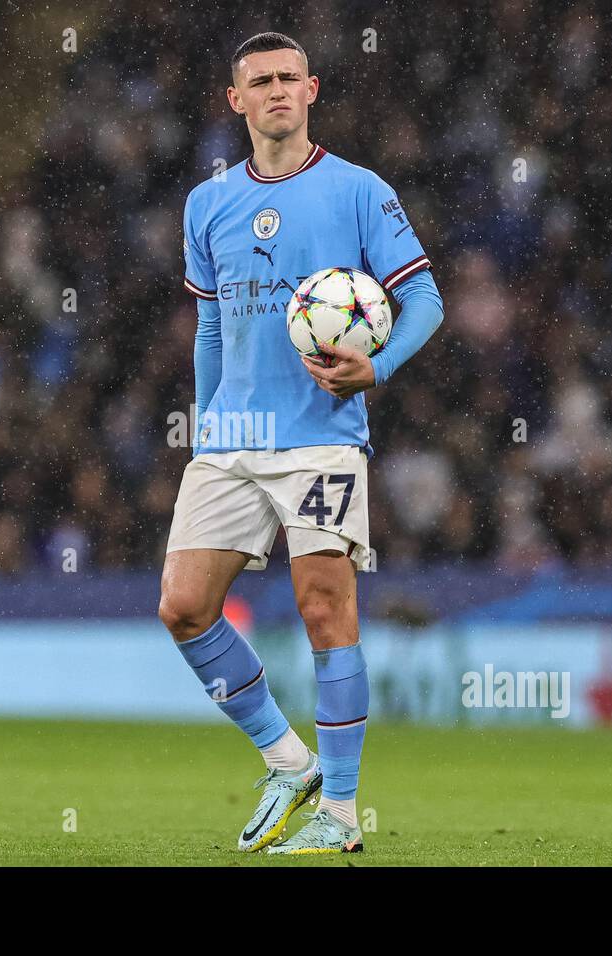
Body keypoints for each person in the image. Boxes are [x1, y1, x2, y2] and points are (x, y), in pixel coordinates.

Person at [159, 32, 444, 853]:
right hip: (232, 438)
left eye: (290, 78)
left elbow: (423, 297)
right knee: (182, 606)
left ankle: (343, 816)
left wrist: (377, 368)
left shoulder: (358, 191)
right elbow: (210, 326)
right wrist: (207, 420)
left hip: (322, 438)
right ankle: (290, 761)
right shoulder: (207, 203)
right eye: (261, 81)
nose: (278, 90)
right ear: (236, 100)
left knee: (325, 609)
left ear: (312, 89)